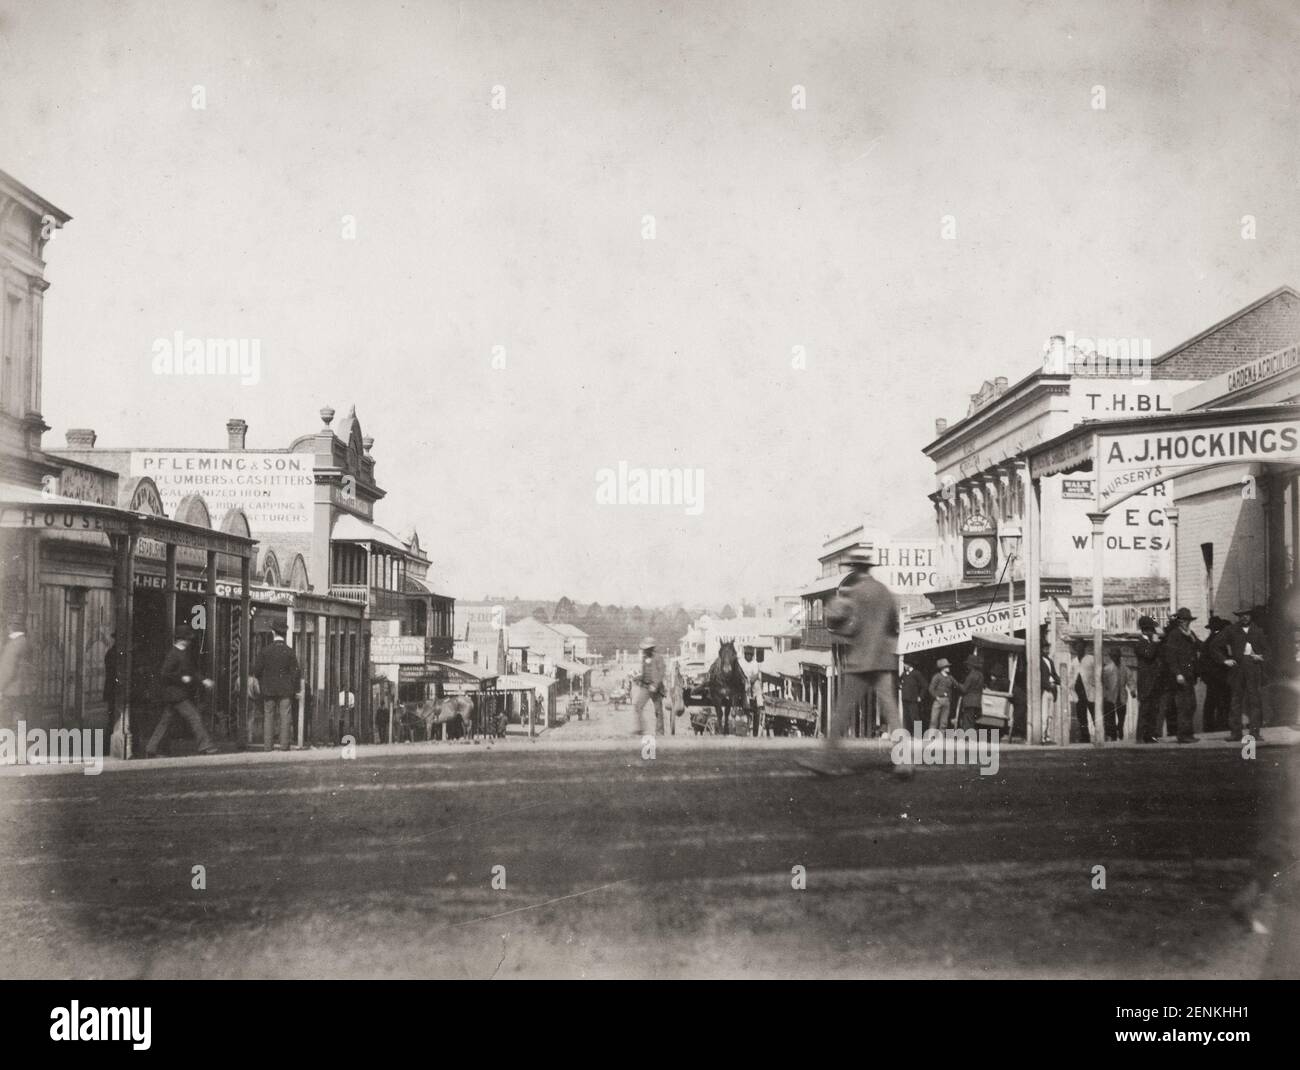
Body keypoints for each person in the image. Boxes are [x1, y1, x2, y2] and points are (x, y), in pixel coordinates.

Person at [811, 549, 906, 777]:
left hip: (860, 659)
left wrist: (847, 628)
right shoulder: (885, 592)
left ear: (855, 568)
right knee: (892, 712)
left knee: (842, 711)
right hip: (883, 659)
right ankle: (905, 762)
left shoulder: (852, 593)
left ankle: (827, 761)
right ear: (869, 568)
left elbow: (833, 616)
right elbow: (895, 625)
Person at [147, 624, 218, 757]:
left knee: (165, 722)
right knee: (194, 717)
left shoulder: (182, 653)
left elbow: (192, 671)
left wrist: (203, 680)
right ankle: (206, 745)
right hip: (176, 694)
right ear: (182, 639)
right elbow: (164, 673)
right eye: (188, 639)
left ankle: (152, 747)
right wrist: (181, 678)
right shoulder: (173, 654)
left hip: (175, 694)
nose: (189, 641)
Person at [251, 626, 302, 751]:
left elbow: (256, 671)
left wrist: (264, 681)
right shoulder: (289, 651)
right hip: (286, 690)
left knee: (268, 716)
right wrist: (294, 689)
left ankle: (268, 747)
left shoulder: (265, 651)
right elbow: (296, 673)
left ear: (273, 633)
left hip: (268, 689)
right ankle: (284, 746)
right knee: (285, 716)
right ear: (284, 634)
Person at [1224, 605, 1268, 741]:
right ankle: (1236, 733)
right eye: (1241, 614)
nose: (1244, 617)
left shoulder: (1258, 631)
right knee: (1236, 701)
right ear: (1238, 616)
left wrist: (1260, 657)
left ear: (1251, 615)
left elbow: (1268, 651)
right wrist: (1225, 660)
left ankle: (1254, 732)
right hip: (1237, 670)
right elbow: (1214, 646)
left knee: (1255, 701)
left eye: (1247, 614)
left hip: (1253, 670)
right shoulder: (1231, 630)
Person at [1161, 607, 1200, 743]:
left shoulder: (1190, 634)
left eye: (1188, 620)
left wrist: (1194, 640)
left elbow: (1200, 646)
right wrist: (1177, 673)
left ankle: (1189, 733)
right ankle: (1183, 735)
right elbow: (1170, 657)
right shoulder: (1174, 635)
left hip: (1190, 675)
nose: (1186, 623)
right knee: (1183, 706)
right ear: (1178, 621)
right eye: (1183, 620)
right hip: (1181, 677)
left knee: (1191, 705)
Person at [0, 615, 36, 730]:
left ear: (10, 627)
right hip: (23, 690)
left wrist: (0, 687)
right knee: (19, 718)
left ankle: (8, 744)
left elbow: (7, 670)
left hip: (10, 691)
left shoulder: (13, 645)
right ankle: (20, 744)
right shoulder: (26, 642)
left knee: (5, 720)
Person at [1199, 615, 1233, 733]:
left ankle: (1209, 727)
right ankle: (1221, 726)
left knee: (1211, 702)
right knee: (1221, 701)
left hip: (1211, 677)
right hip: (1218, 676)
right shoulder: (1218, 640)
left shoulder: (1209, 640)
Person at [1133, 615, 1164, 743]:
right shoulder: (1140, 643)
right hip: (1146, 682)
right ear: (1146, 630)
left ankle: (1150, 735)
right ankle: (1140, 736)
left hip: (1154, 681)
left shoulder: (1152, 643)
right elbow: (1148, 654)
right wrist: (1155, 643)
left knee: (1153, 710)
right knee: (1145, 710)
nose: (1153, 632)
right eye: (1151, 630)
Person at [630, 637, 665, 737]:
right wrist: (638, 678)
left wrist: (655, 685)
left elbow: (661, 673)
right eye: (644, 649)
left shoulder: (659, 658)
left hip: (656, 688)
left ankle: (660, 732)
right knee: (638, 706)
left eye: (647, 648)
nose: (645, 650)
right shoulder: (645, 658)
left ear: (652, 648)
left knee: (658, 711)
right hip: (645, 687)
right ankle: (641, 729)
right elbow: (645, 673)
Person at [1071, 641, 1097, 742]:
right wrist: (1071, 688)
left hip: (1090, 691)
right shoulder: (1074, 661)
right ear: (1076, 649)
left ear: (1084, 648)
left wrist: (1095, 685)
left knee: (1095, 714)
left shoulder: (1091, 659)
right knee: (1081, 716)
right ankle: (1085, 737)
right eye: (1077, 647)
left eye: (1081, 647)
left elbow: (1098, 672)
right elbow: (1070, 676)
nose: (1079, 649)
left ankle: (1100, 735)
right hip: (1079, 692)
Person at [1101, 647, 1129, 741]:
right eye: (1113, 656)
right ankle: (1113, 735)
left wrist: (1132, 690)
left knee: (1122, 716)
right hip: (1110, 696)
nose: (1115, 658)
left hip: (1121, 696)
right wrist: (1104, 695)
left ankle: (1120, 728)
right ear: (1111, 657)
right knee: (1110, 717)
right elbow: (1103, 684)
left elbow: (1130, 679)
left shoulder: (1124, 668)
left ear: (1120, 656)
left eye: (1117, 656)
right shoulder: (1107, 669)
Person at [952, 653, 985, 730]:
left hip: (969, 702)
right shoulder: (980, 675)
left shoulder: (971, 675)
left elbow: (964, 689)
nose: (967, 666)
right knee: (972, 721)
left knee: (967, 722)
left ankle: (967, 739)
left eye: (968, 665)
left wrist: (955, 683)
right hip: (977, 702)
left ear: (971, 665)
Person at [1039, 631, 1060, 744]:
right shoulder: (1038, 662)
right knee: (1044, 715)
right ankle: (1041, 737)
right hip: (1045, 690)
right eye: (1044, 648)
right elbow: (1040, 678)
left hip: (1052, 690)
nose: (1046, 650)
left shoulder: (1050, 661)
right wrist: (1048, 685)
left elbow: (1055, 674)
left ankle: (1048, 736)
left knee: (1050, 715)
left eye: (1047, 648)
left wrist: (1060, 681)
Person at [928, 658, 955, 730]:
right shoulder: (937, 676)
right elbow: (931, 688)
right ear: (943, 668)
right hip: (938, 701)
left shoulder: (950, 677)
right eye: (947, 667)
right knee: (934, 720)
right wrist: (936, 697)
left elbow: (957, 685)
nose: (948, 668)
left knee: (944, 722)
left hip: (947, 701)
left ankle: (940, 738)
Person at [900, 660, 927, 730]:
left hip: (913, 699)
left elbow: (924, 685)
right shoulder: (904, 674)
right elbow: (898, 681)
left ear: (910, 665)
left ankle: (918, 734)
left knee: (915, 717)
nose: (904, 666)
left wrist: (920, 696)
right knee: (906, 717)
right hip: (905, 699)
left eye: (905, 664)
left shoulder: (916, 673)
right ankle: (908, 734)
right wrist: (900, 685)